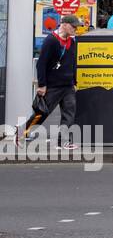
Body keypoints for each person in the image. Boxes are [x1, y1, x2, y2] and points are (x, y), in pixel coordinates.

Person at [20, 15, 80, 147]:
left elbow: (72, 62)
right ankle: (21, 133)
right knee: (42, 112)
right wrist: (42, 85)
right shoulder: (51, 40)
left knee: (69, 114)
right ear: (64, 24)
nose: (75, 29)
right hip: (53, 86)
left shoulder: (72, 42)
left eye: (76, 27)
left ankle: (62, 141)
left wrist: (74, 82)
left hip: (68, 85)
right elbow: (41, 64)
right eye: (73, 26)